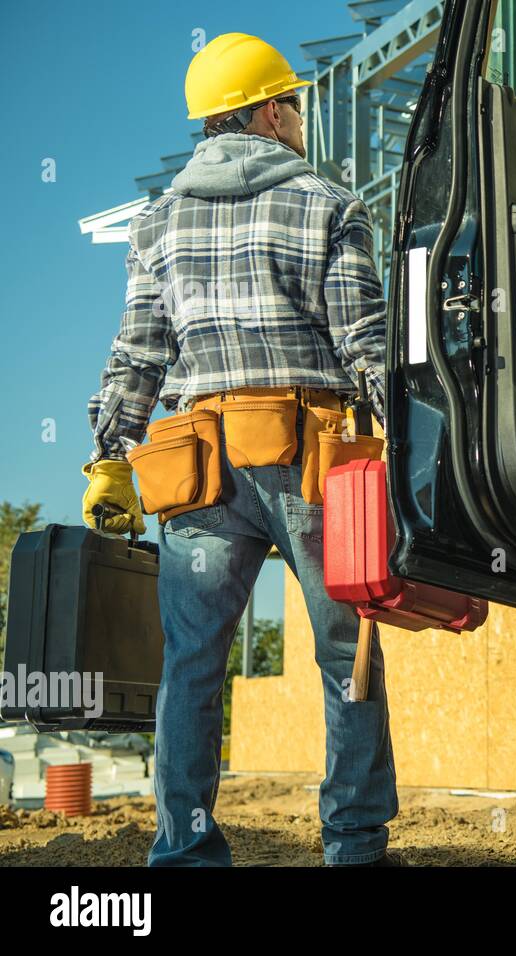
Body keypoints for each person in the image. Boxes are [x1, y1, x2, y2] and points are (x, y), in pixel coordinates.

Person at [81, 32, 402, 866]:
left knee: (191, 665)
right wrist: (410, 438)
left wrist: (110, 452)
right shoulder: (329, 204)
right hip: (311, 461)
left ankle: (184, 851)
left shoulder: (156, 223)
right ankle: (355, 844)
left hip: (197, 471)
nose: (302, 117)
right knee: (346, 654)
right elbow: (367, 342)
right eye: (294, 103)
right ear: (269, 112)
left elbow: (138, 352)